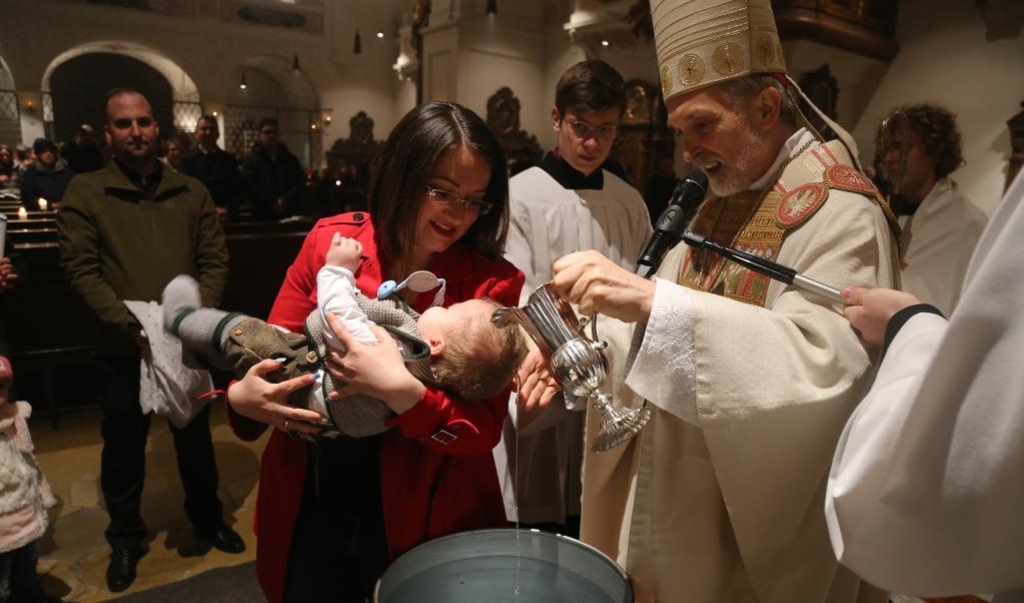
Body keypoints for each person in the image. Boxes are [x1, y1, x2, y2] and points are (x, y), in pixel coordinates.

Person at [546, 1, 902, 601]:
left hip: (751, 528)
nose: (687, 149)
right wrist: (575, 344)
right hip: (680, 506)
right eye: (681, 129)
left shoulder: (843, 213)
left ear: (765, 108)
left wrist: (654, 301)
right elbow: (650, 329)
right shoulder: (721, 198)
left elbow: (827, 368)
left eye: (702, 125)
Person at [224, 101, 525, 603]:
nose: (458, 214)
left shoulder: (491, 283)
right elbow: (275, 351)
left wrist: (406, 393)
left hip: (426, 501)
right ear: (401, 175)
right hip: (316, 487)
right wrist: (241, 398)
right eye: (441, 191)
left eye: (475, 200)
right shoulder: (333, 243)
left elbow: (484, 430)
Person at [55, 88, 242, 594]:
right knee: (124, 447)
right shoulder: (87, 192)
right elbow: (81, 269)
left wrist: (192, 318)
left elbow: (214, 260)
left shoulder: (191, 191)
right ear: (108, 133)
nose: (134, 131)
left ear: (157, 127)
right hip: (123, 344)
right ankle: (126, 538)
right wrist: (130, 323)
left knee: (196, 441)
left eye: (143, 122)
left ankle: (206, 520)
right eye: (123, 124)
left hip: (183, 340)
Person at [826, 169, 1024, 602]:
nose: (891, 158)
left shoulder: (964, 218)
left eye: (903, 147)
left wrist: (909, 326)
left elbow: (959, 454)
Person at [494, 59, 652, 536]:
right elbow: (514, 290)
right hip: (543, 373)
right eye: (580, 127)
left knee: (599, 515)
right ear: (557, 118)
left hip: (612, 378)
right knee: (541, 515)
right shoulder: (519, 195)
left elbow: (644, 282)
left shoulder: (630, 201)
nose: (591, 143)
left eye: (606, 131)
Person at [161, 233, 526, 437]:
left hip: (300, 376)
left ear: (435, 344)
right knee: (252, 342)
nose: (441, 306)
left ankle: (178, 319)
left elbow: (338, 317)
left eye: (449, 310)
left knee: (241, 331)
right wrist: (239, 398)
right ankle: (201, 348)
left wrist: (336, 270)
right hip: (323, 416)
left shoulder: (394, 349)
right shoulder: (440, 374)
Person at [878, 103, 987, 315]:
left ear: (934, 150)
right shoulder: (883, 209)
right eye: (887, 149)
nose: (889, 159)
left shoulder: (969, 223)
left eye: (901, 147)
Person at [0, 355, 57, 603]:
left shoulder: (13, 418)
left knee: (26, 567)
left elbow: (28, 465)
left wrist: (41, 495)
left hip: (22, 515)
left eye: (0, 386)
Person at [179, 115, 245, 221]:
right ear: (196, 134)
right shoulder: (186, 160)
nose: (208, 132)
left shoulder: (229, 160)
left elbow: (237, 189)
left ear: (218, 134)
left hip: (225, 219)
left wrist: (227, 209)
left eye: (212, 129)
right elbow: (184, 192)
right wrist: (209, 211)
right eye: (204, 129)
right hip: (197, 218)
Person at [240, 118, 306, 220]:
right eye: (267, 132)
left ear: (279, 135)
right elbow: (250, 185)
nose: (271, 135)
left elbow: (298, 183)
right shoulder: (251, 159)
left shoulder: (290, 159)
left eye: (274, 132)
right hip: (261, 213)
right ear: (260, 135)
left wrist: (284, 200)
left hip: (287, 211)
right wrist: (272, 201)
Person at [19, 138, 74, 210]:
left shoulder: (67, 171)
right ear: (38, 154)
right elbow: (27, 196)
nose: (48, 153)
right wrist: (49, 205)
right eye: (44, 151)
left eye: (51, 151)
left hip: (66, 210)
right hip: (42, 213)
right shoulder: (31, 173)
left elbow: (74, 192)